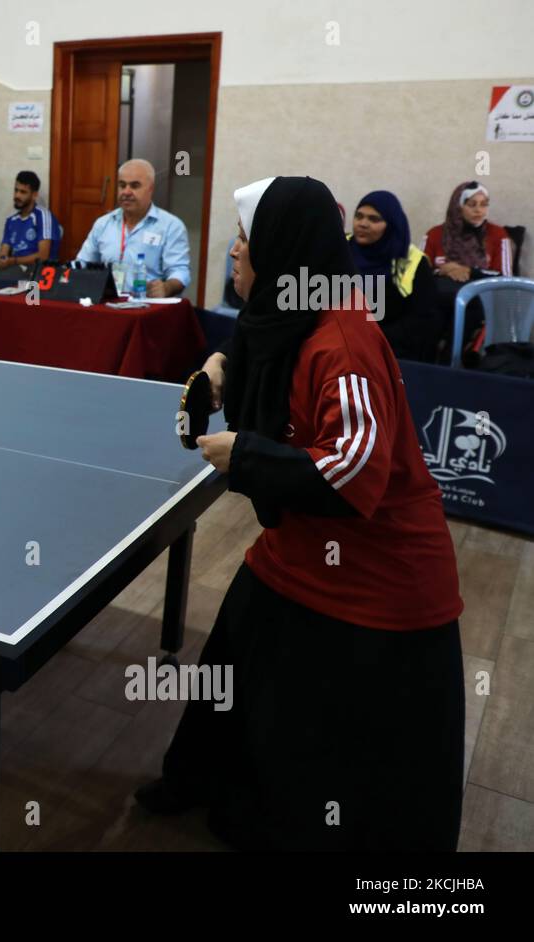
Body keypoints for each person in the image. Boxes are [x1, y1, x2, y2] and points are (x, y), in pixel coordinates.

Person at [136, 176, 464, 852]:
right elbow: (263, 338)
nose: (233, 252)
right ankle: (193, 779)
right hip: (299, 547)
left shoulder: (343, 343)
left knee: (318, 754)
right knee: (230, 651)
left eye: (246, 241)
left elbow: (354, 470)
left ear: (281, 251)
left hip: (380, 573)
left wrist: (244, 455)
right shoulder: (301, 304)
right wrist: (222, 365)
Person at [423, 182, 516, 362]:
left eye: (484, 204)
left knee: (467, 312)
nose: (478, 210)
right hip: (440, 299)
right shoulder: (435, 234)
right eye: (471, 204)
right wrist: (444, 271)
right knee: (428, 315)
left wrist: (470, 271)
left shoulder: (497, 235)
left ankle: (449, 365)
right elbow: (420, 274)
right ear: (458, 206)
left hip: (479, 303)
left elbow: (505, 278)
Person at [72, 158, 191, 297]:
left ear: (150, 189)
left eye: (134, 186)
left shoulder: (171, 226)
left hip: (148, 305)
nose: (126, 192)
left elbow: (180, 271)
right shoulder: (103, 224)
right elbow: (82, 264)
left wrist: (167, 287)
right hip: (107, 303)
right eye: (122, 185)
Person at [348, 190, 439, 362]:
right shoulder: (341, 247)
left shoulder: (413, 262)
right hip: (340, 342)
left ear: (391, 224)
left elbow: (422, 320)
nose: (363, 224)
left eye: (374, 219)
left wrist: (372, 338)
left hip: (390, 350)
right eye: (359, 216)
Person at [0, 171, 61, 276]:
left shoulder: (43, 216)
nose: (17, 195)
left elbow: (43, 256)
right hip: (14, 267)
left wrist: (12, 261)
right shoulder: (11, 220)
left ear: (34, 195)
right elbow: (3, 255)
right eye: (16, 190)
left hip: (36, 271)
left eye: (23, 192)